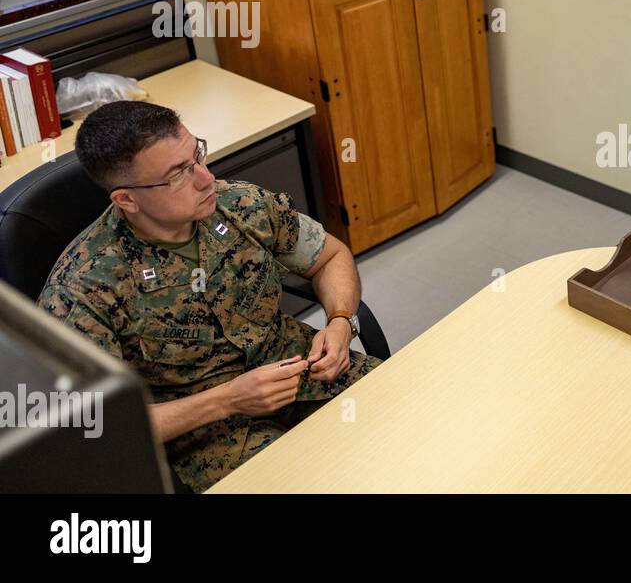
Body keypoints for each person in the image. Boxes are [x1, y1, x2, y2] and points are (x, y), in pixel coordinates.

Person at [39, 100, 381, 492]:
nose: (206, 178)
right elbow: (93, 425)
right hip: (207, 432)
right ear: (127, 200)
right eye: (178, 175)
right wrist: (227, 401)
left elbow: (330, 257)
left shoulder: (239, 205)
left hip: (302, 366)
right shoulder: (83, 286)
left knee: (406, 422)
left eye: (196, 155)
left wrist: (340, 321)